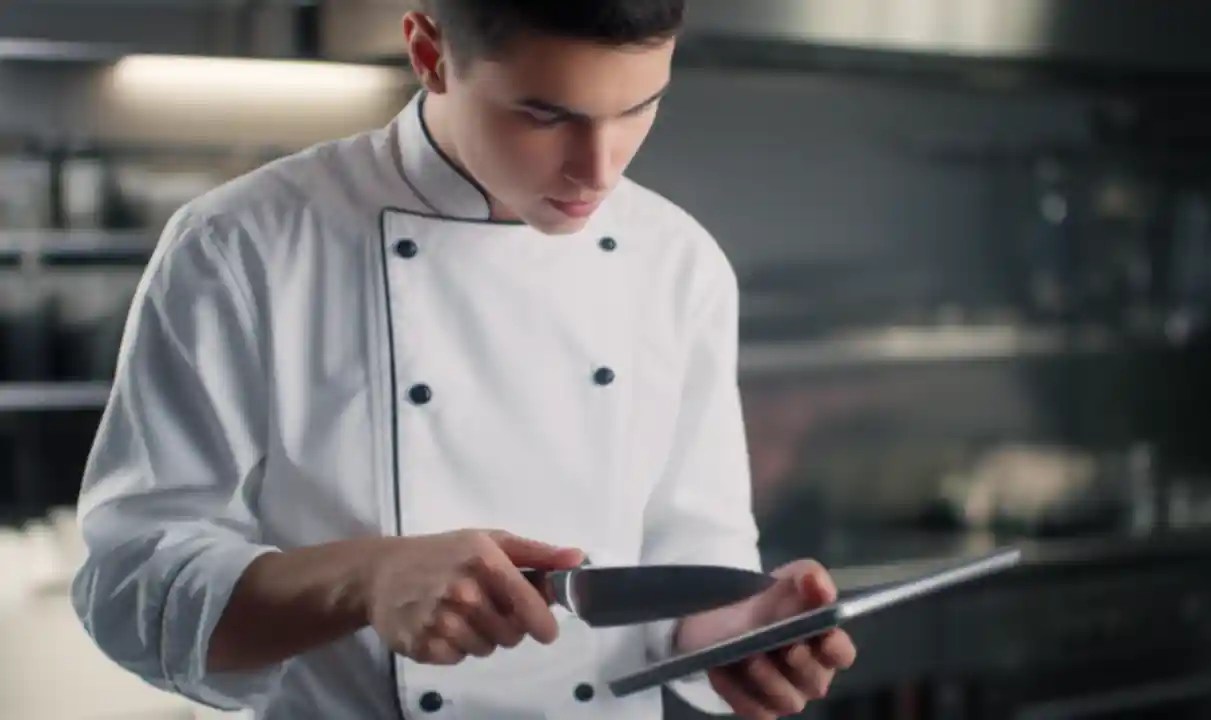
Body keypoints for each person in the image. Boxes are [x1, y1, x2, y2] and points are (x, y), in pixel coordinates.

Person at [70, 1, 856, 718]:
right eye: (545, 115)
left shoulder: (679, 263)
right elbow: (131, 585)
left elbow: (691, 561)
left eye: (640, 107)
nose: (600, 169)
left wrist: (743, 633)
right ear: (428, 51)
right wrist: (364, 580)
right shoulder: (244, 247)